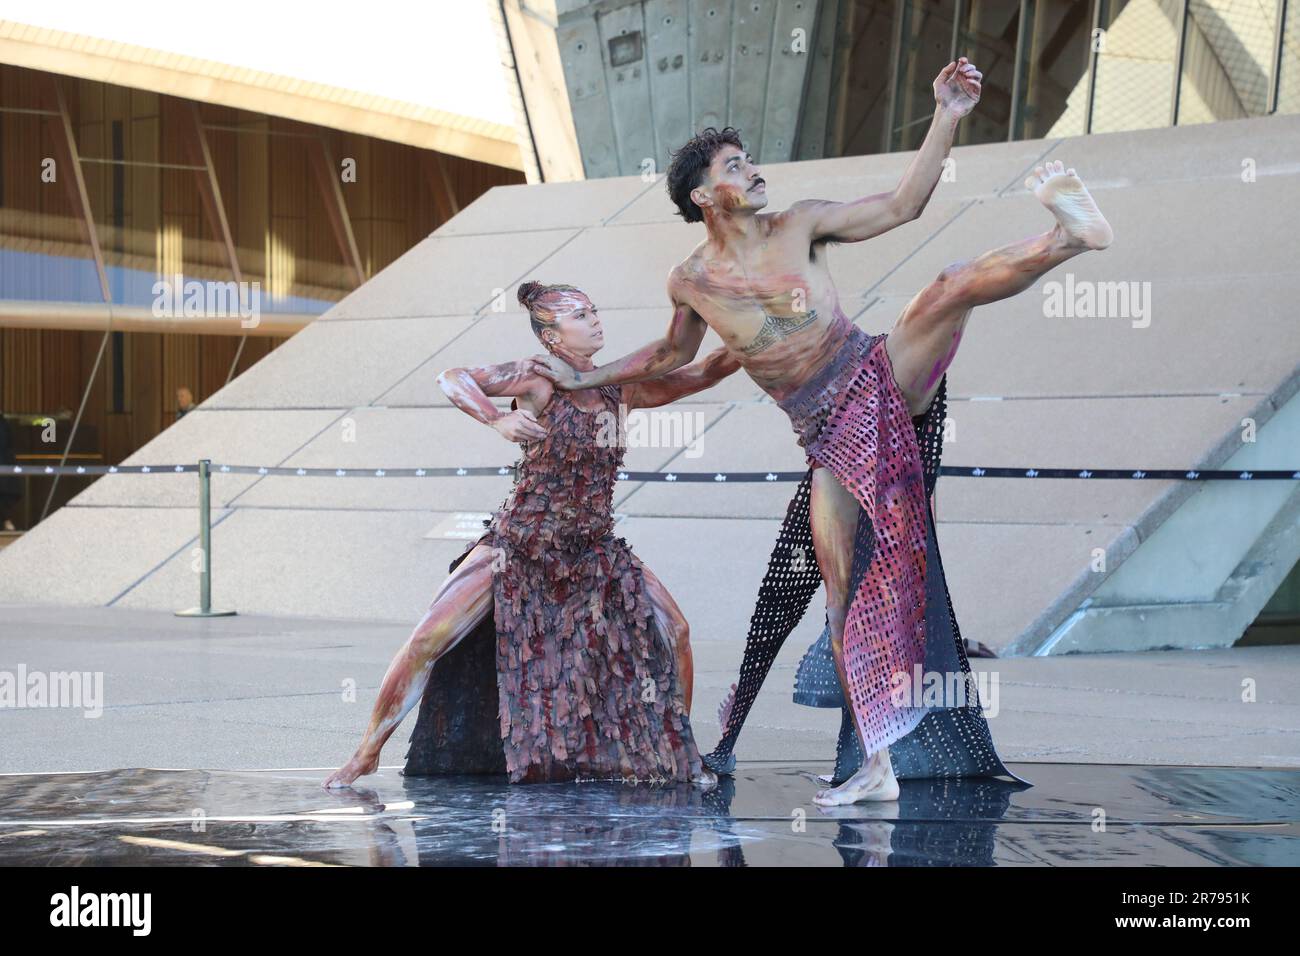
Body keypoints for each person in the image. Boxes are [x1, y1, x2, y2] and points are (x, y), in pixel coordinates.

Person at [532, 57, 1112, 805]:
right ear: (707, 195)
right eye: (737, 165)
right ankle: (877, 762)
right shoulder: (691, 280)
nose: (755, 170)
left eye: (750, 159)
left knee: (950, 285)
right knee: (840, 597)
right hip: (825, 441)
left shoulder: (799, 223)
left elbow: (902, 206)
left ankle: (1068, 238)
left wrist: (947, 114)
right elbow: (671, 356)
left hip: (878, 376)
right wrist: (584, 377)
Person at [324, 280, 739, 789]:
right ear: (552, 336)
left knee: (674, 630)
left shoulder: (618, 387)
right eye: (581, 316)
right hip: (521, 543)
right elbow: (452, 377)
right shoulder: (537, 379)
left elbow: (701, 373)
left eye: (594, 311)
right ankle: (366, 752)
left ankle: (681, 753)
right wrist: (497, 419)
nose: (595, 321)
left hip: (592, 549)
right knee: (428, 638)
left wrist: (753, 333)